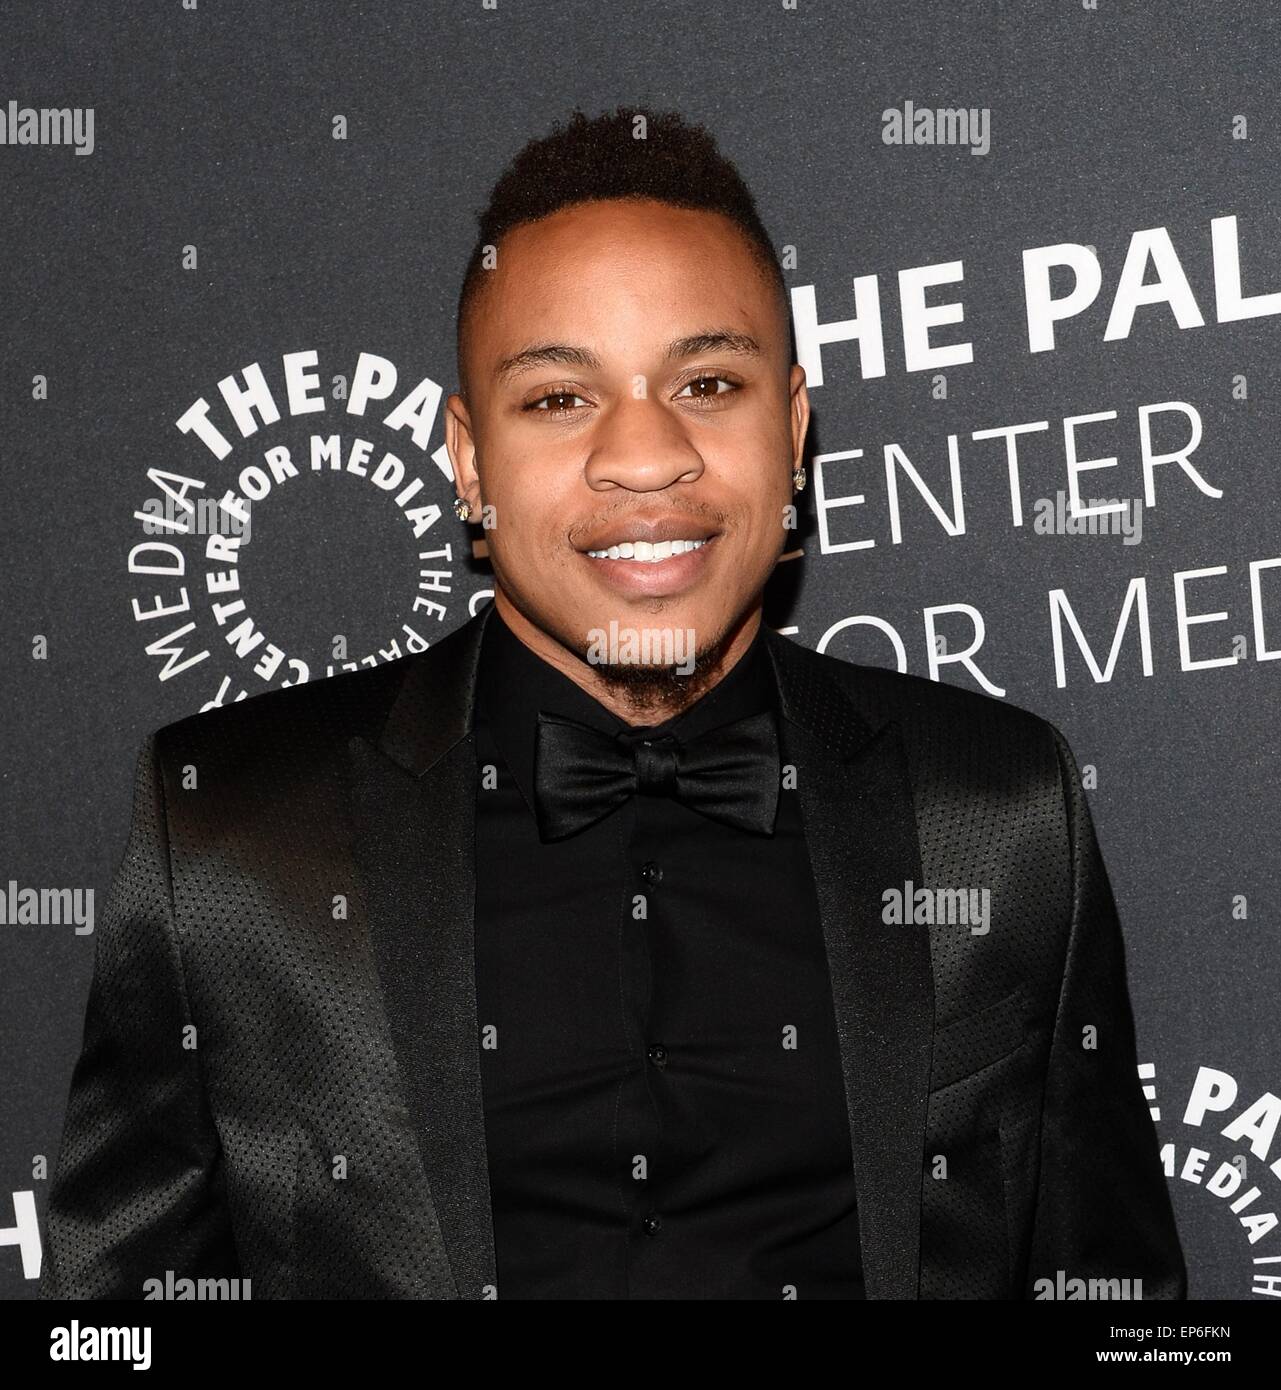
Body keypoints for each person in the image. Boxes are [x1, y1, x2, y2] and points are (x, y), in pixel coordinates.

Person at [39, 105, 1185, 1300]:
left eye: (707, 380)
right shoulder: (228, 830)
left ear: (793, 435)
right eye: (558, 399)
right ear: (470, 459)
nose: (646, 457)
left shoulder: (997, 809)